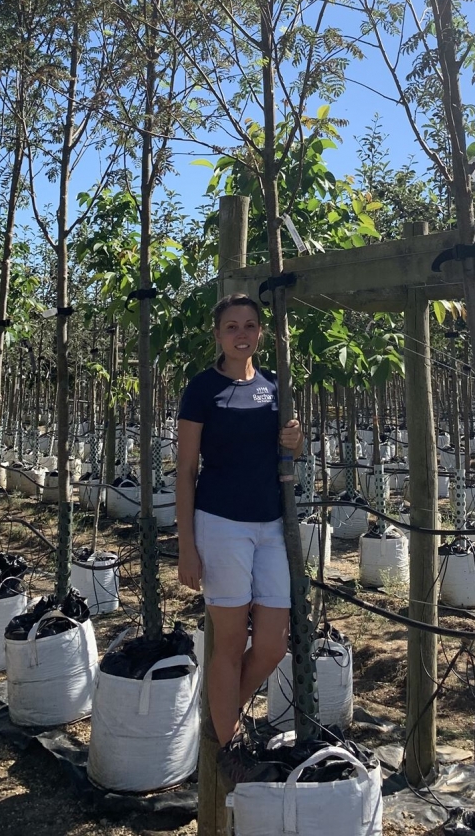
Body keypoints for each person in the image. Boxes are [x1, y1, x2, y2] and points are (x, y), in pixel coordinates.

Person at [176, 292, 303, 745]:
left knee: (271, 644)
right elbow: (187, 470)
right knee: (228, 644)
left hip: (270, 526)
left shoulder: (274, 386)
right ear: (217, 335)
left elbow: (285, 452)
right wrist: (186, 545)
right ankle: (228, 743)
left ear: (261, 333)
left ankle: (219, 716)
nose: (241, 334)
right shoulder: (202, 389)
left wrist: (294, 441)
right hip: (221, 523)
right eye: (231, 326)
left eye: (249, 325)